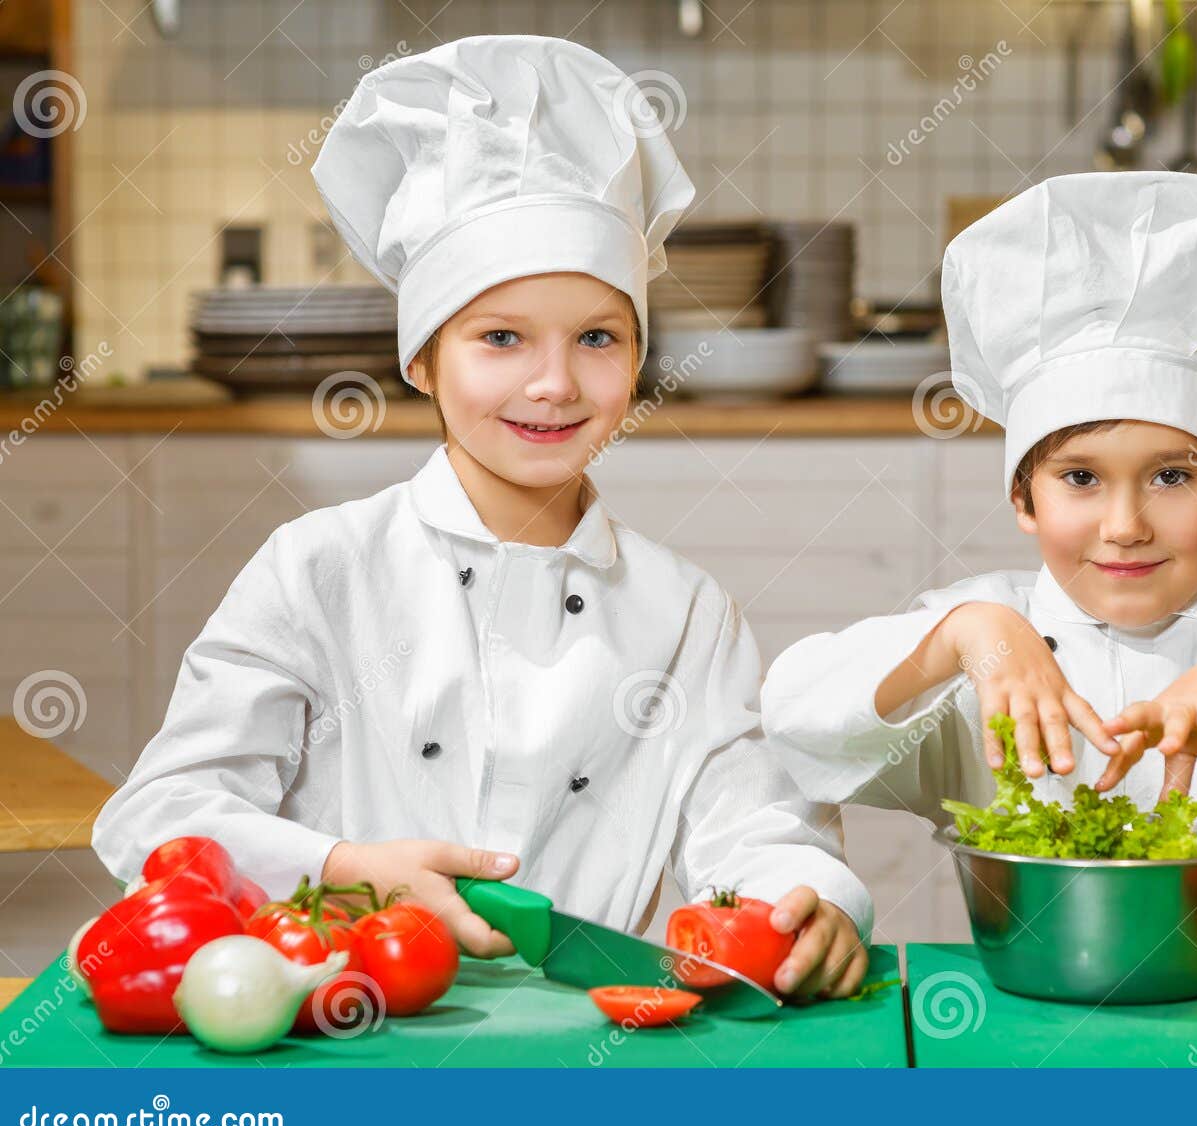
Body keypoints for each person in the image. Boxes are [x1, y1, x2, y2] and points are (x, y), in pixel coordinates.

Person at [93, 36, 870, 999]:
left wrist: (809, 902)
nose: (553, 383)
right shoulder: (318, 569)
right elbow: (160, 817)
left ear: (637, 359)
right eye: (500, 337)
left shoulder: (685, 612)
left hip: (596, 1042)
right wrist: (342, 867)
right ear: (423, 358)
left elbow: (757, 831)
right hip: (347, 1022)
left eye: (597, 337)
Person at [761, 172, 1197, 940]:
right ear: (1024, 499)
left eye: (1173, 477)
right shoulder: (982, 643)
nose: (1125, 526)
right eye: (1080, 477)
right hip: (1025, 1036)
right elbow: (793, 720)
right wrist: (964, 636)